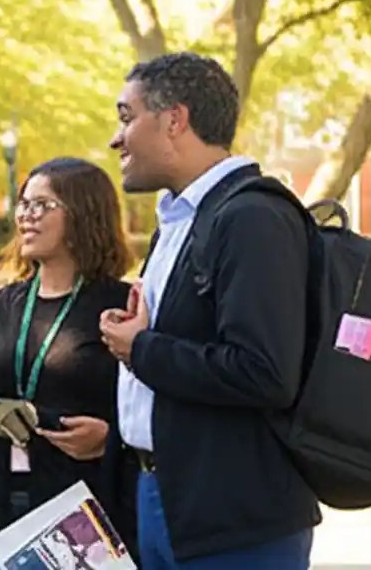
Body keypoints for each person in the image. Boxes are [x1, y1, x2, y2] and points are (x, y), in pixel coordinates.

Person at [101, 52, 319, 569]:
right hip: (162, 501)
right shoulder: (180, 220)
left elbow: (263, 371)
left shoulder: (253, 218)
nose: (117, 138)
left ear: (175, 120)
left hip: (234, 526)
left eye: (127, 117)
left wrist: (142, 349)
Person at [0, 157, 137, 548]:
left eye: (42, 205)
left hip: (88, 503)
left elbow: (154, 409)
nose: (26, 216)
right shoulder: (6, 303)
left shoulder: (121, 305)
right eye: (23, 203)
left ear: (84, 215)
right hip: (8, 498)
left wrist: (113, 439)